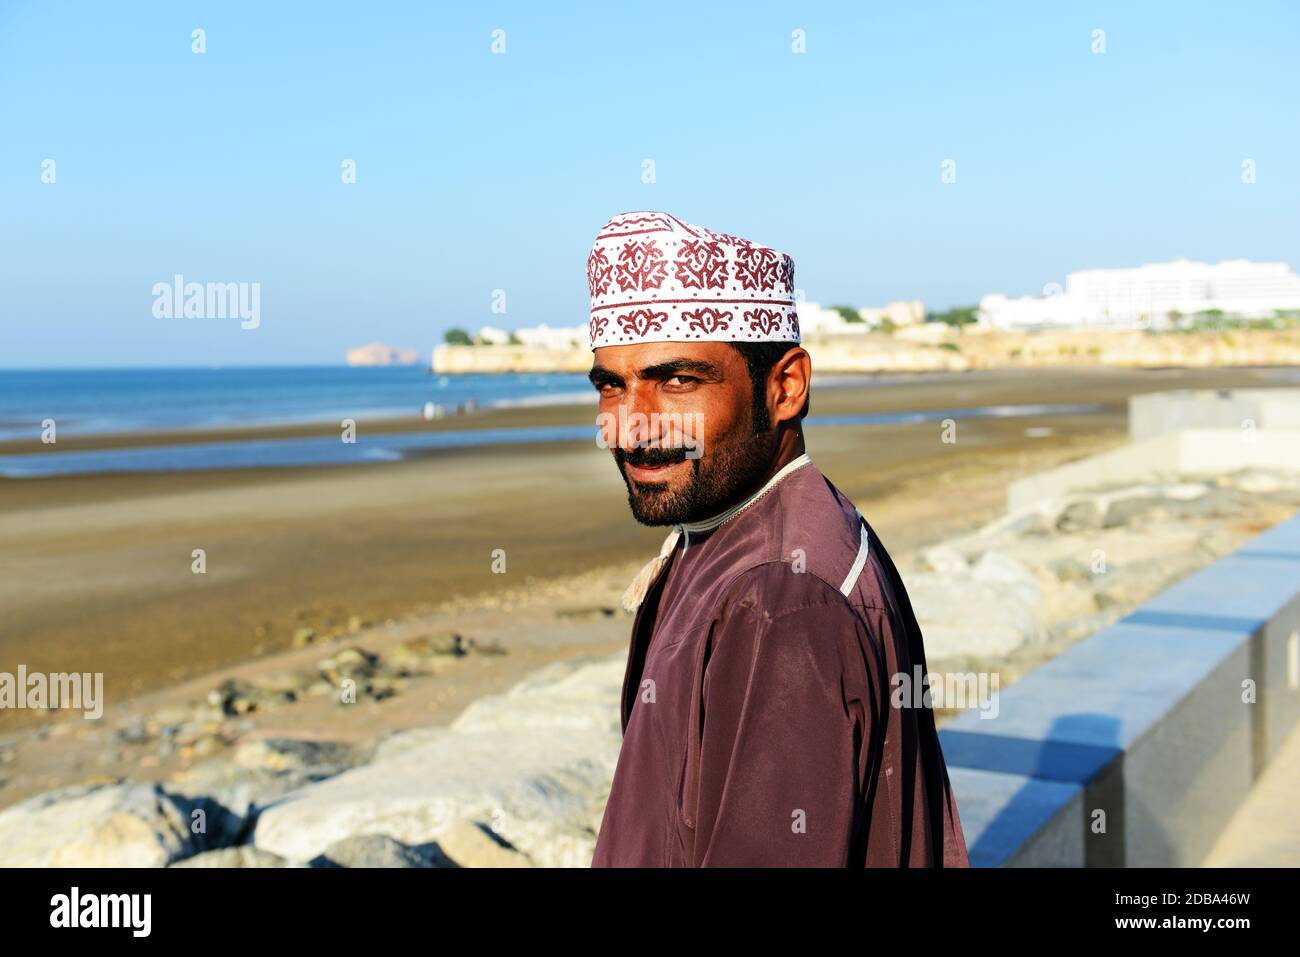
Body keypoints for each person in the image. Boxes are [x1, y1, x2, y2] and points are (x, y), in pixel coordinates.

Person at [585, 210, 970, 867]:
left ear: (785, 386)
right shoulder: (725, 534)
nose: (630, 427)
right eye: (612, 386)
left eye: (678, 381)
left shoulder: (783, 602)